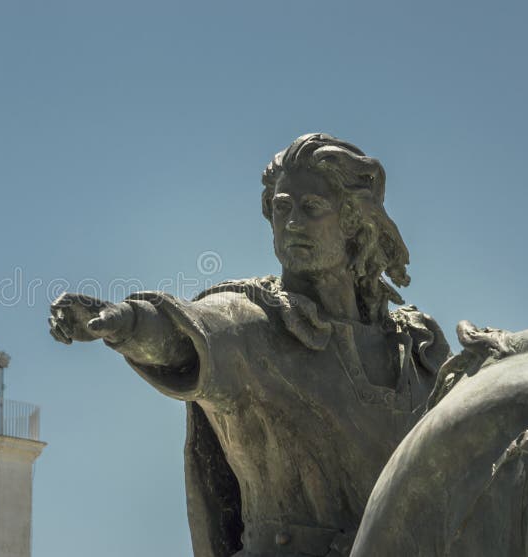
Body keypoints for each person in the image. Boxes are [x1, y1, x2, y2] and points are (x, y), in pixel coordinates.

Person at [49, 133, 450, 557]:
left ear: (352, 221)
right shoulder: (251, 320)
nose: (292, 223)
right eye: (282, 208)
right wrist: (127, 323)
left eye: (311, 208)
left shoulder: (418, 350)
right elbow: (185, 335)